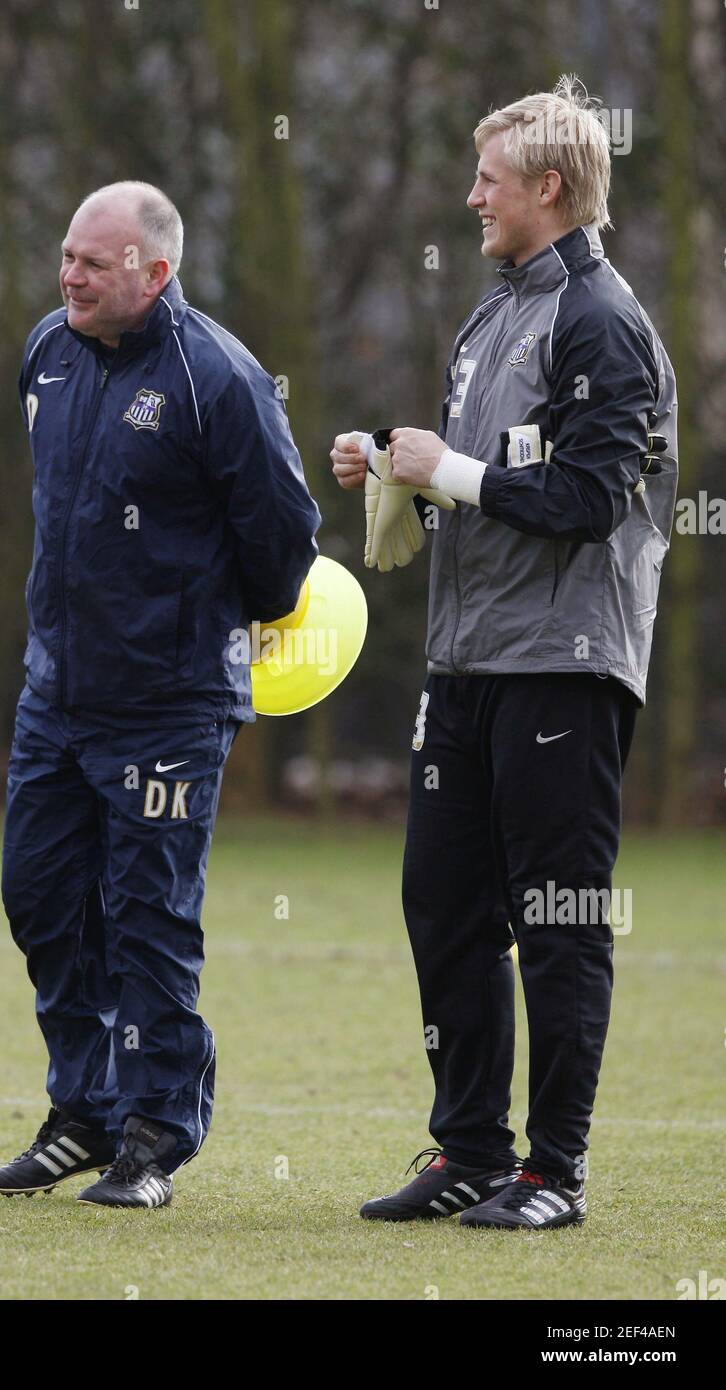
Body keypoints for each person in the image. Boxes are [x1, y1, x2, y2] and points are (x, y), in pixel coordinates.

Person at [331, 76, 677, 1230]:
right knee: (441, 901)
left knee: (560, 919)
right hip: (466, 664)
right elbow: (480, 486)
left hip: (565, 661)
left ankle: (555, 1173)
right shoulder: (490, 314)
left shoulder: (604, 320)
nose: (470, 194)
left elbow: (582, 498)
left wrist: (450, 474)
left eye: (488, 177)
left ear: (548, 186)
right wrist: (393, 468)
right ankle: (470, 1151)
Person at [0, 181, 320, 1209]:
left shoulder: (216, 377)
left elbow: (285, 537)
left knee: (147, 919)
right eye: (67, 256)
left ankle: (153, 1132)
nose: (70, 275)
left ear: (156, 272)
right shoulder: (48, 348)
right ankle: (82, 1110)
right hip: (58, 694)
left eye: (95, 262)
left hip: (169, 706)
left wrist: (204, 627)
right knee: (39, 897)